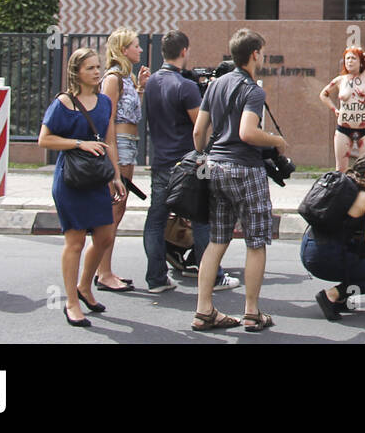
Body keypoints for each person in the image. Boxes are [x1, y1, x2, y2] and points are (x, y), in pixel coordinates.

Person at [191, 28, 288, 332]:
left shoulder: (215, 85)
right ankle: (251, 312)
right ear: (255, 54)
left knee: (217, 240)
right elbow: (247, 133)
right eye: (262, 51)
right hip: (246, 169)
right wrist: (277, 140)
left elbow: (198, 133)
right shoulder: (253, 90)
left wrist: (205, 154)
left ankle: (204, 310)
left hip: (215, 167)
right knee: (256, 243)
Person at [140, 30, 236, 293]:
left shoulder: (151, 83)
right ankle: (213, 277)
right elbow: (201, 128)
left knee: (156, 218)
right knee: (201, 218)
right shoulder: (186, 86)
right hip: (187, 164)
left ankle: (156, 279)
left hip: (160, 161)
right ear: (184, 51)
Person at [37, 47, 126, 326]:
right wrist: (78, 143)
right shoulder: (64, 103)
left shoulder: (104, 102)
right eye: (90, 68)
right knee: (75, 241)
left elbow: (110, 138)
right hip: (70, 179)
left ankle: (85, 286)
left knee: (105, 237)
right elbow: (45, 140)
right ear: (76, 72)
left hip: (97, 177)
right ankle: (71, 303)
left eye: (98, 67)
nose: (97, 72)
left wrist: (116, 175)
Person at [301, 153, 365, 321]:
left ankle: (343, 299)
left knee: (358, 254)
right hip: (325, 257)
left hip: (308, 250)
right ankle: (331, 295)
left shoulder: (344, 188)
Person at [94, 28, 150, 291]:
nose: (140, 50)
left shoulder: (126, 78)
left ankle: (105, 269)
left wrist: (140, 88)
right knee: (113, 208)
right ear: (123, 49)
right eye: (135, 46)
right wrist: (113, 165)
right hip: (119, 145)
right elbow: (108, 120)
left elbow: (128, 113)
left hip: (128, 144)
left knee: (118, 208)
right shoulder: (113, 78)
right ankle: (103, 272)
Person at [319, 21, 365, 171]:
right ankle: (343, 193)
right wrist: (335, 110)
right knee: (341, 168)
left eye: (353, 58)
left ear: (360, 62)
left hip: (364, 129)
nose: (350, 61)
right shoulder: (340, 80)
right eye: (347, 58)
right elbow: (323, 94)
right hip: (343, 128)